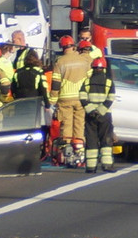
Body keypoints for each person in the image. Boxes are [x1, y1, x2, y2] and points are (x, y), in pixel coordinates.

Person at [50, 35, 90, 163]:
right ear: (73, 46)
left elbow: (56, 83)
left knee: (66, 125)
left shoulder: (60, 62)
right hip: (81, 98)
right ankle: (79, 152)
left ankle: (66, 153)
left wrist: (52, 100)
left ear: (62, 47)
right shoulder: (83, 60)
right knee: (79, 125)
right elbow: (89, 79)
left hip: (65, 98)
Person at [78, 57, 116, 172]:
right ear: (104, 68)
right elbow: (111, 98)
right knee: (106, 139)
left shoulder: (87, 82)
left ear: (92, 68)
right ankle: (107, 165)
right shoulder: (109, 82)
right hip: (105, 116)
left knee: (91, 140)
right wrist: (100, 111)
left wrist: (91, 110)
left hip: (90, 116)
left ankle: (91, 167)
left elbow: (82, 97)